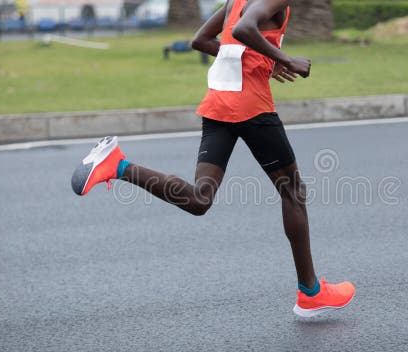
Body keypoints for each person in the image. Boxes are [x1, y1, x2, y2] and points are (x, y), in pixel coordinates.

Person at [70, 0, 355, 317]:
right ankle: (311, 293)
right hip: (251, 107)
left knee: (199, 199)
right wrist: (286, 58)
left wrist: (261, 60)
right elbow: (246, 29)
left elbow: (201, 40)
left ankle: (118, 165)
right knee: (293, 193)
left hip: (219, 105)